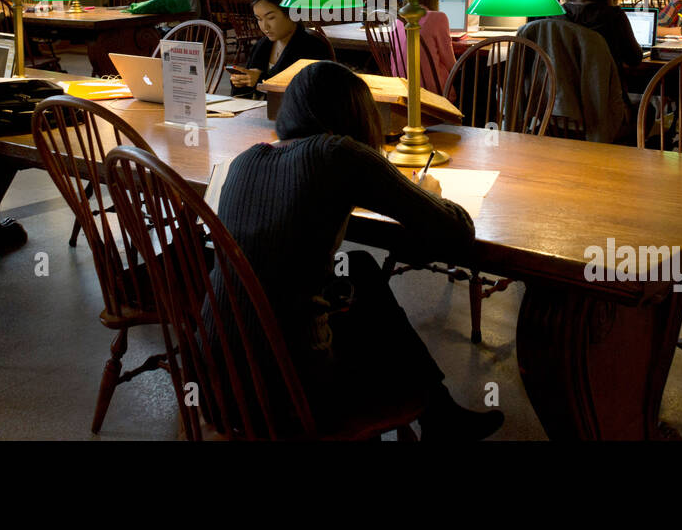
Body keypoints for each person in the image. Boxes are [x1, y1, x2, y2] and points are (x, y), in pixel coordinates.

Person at [210, 60, 504, 440]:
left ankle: (439, 411)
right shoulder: (338, 153)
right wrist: (427, 195)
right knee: (366, 315)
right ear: (357, 114)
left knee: (360, 268)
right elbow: (456, 232)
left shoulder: (246, 159)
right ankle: (437, 413)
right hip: (290, 387)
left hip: (218, 376)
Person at [230, 0, 333, 97]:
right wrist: (240, 82)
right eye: (259, 19)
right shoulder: (262, 45)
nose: (264, 26)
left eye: (271, 17)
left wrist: (260, 80)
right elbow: (245, 94)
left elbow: (307, 95)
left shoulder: (312, 48)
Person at [561, 0, 642, 71]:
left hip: (562, 87)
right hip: (604, 86)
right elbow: (634, 59)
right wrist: (612, 5)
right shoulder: (614, 17)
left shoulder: (557, 15)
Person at [388, 0, 456, 93]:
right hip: (429, 90)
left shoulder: (397, 20)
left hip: (400, 87)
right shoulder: (438, 17)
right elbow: (451, 64)